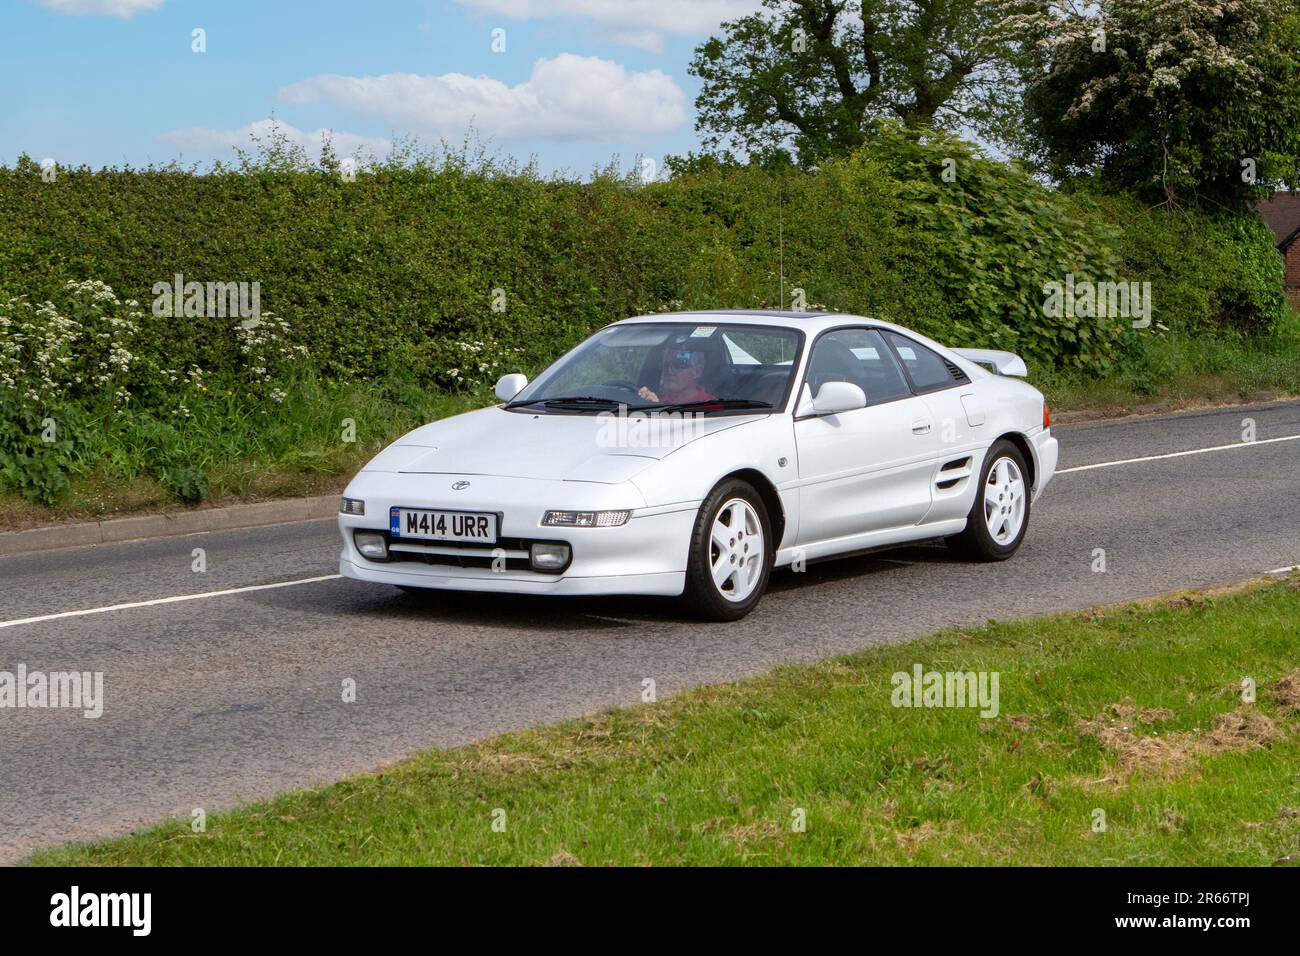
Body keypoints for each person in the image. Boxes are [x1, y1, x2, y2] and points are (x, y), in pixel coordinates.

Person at [638, 346, 716, 405]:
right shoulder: (652, 399)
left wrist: (657, 408)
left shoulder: (711, 405)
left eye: (678, 365)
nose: (669, 371)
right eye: (666, 365)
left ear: (697, 371)